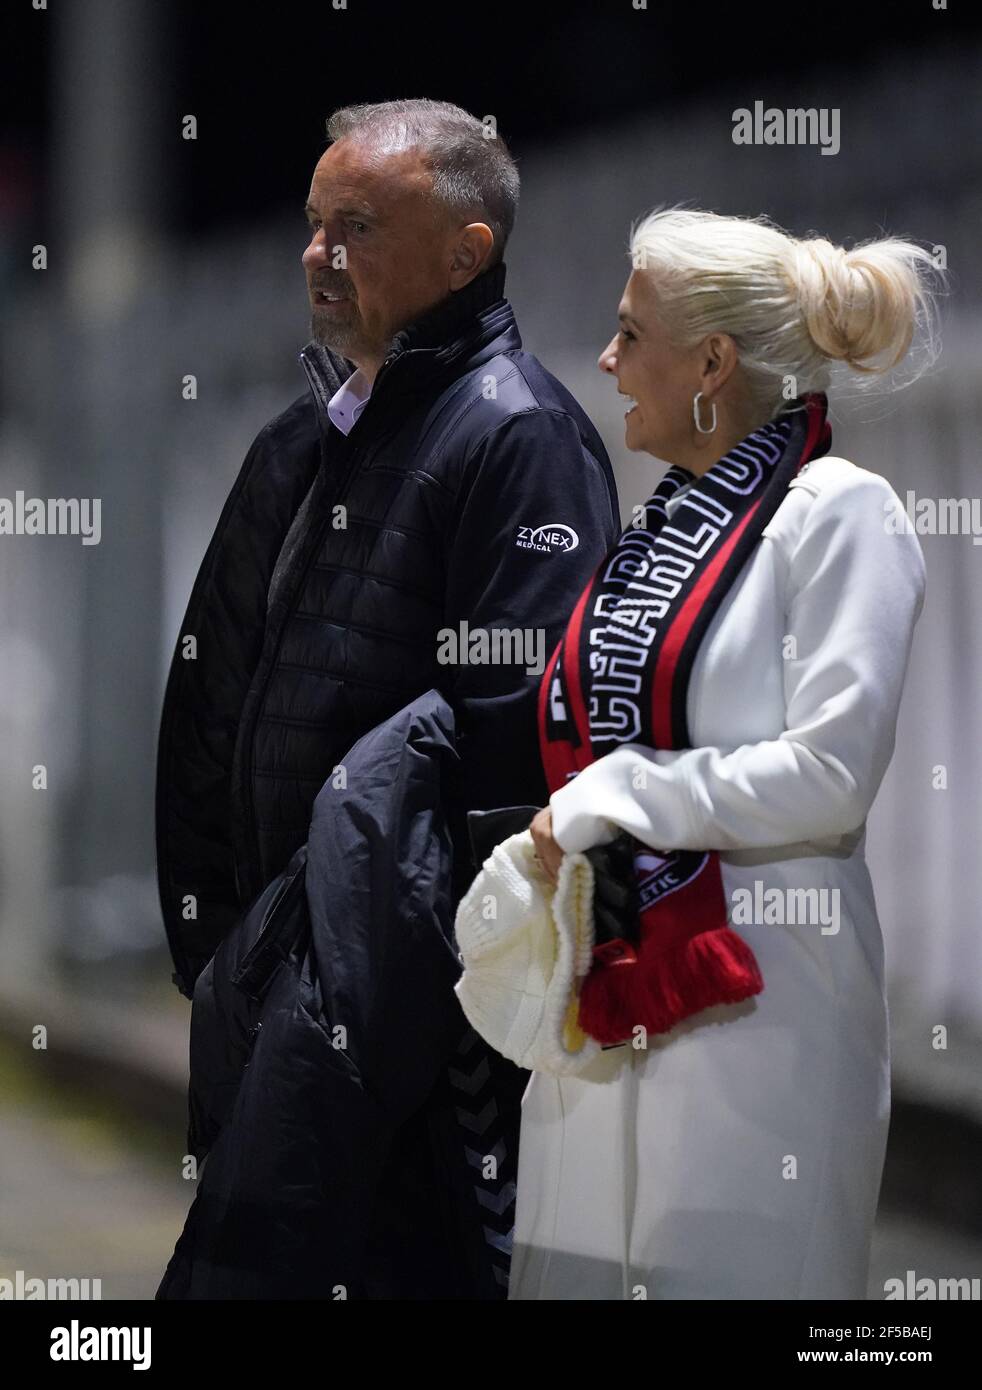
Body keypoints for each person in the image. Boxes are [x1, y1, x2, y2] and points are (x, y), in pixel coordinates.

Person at [155, 98, 620, 1298]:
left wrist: (441, 1016)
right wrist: (217, 953)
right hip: (272, 979)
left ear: (465, 253)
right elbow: (211, 694)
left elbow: (513, 750)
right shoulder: (299, 439)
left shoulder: (521, 438)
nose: (319, 253)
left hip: (406, 1022)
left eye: (355, 225)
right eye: (315, 224)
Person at [520, 207, 941, 1299]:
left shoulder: (840, 512)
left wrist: (625, 792)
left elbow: (832, 772)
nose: (606, 358)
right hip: (610, 986)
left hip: (763, 1015)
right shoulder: (660, 525)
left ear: (711, 362)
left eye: (629, 333)